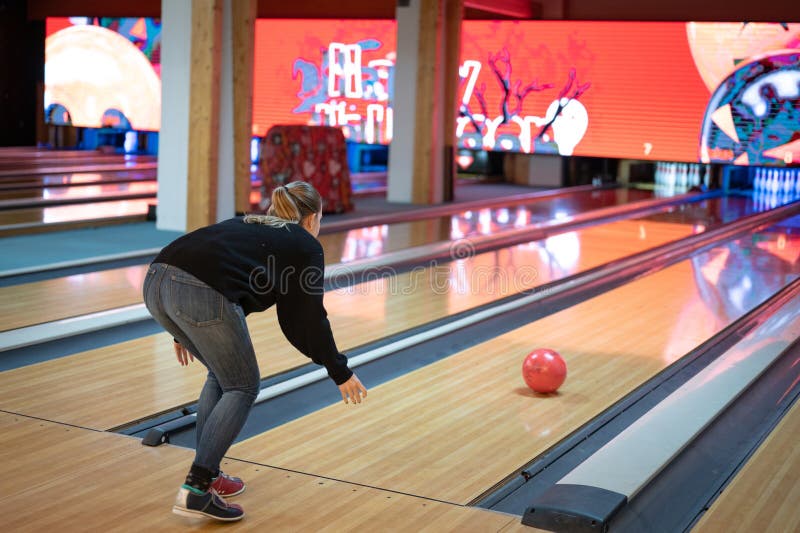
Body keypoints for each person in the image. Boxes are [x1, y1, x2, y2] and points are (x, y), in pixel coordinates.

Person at [142, 181, 367, 522]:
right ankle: (197, 488)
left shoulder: (252, 223)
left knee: (221, 375)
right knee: (243, 385)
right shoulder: (304, 244)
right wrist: (339, 370)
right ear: (311, 219)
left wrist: (182, 330)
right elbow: (305, 318)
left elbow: (223, 274)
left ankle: (210, 474)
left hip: (156, 280)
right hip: (194, 291)